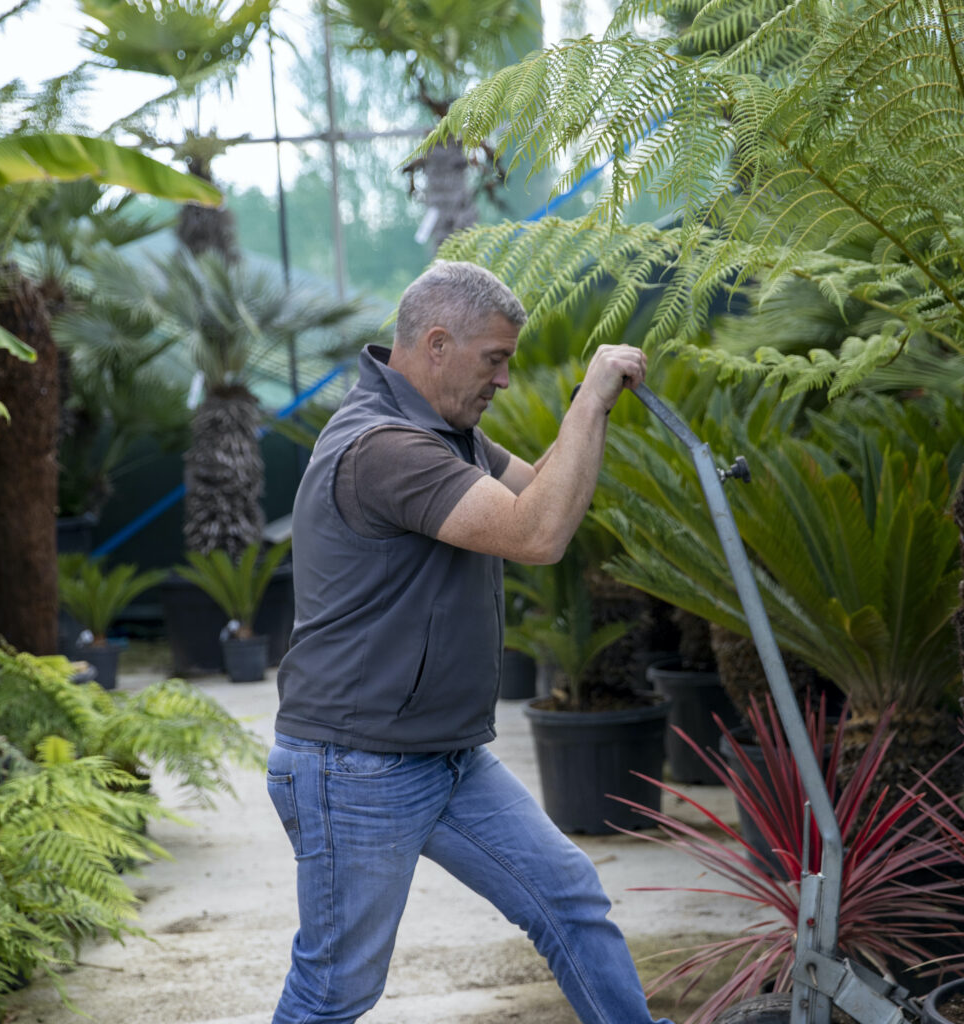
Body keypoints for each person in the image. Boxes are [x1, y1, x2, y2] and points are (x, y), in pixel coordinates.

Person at [267, 260, 673, 1024]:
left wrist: (596, 412)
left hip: (444, 756)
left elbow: (538, 488)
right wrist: (586, 396)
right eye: (495, 359)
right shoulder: (387, 449)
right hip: (356, 765)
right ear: (437, 343)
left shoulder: (447, 437)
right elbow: (538, 532)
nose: (506, 380)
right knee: (336, 988)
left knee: (570, 901)